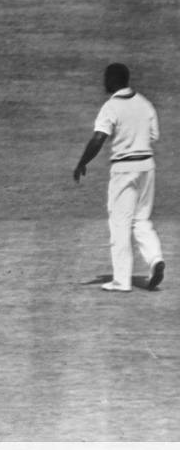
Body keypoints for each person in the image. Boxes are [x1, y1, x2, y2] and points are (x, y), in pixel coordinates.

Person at [73, 63, 165, 292]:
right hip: (147, 167)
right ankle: (155, 260)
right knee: (141, 219)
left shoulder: (111, 106)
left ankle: (121, 280)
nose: (104, 82)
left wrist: (82, 162)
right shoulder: (144, 103)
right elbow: (154, 135)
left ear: (114, 80)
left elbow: (97, 139)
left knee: (119, 222)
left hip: (124, 169)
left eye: (106, 78)